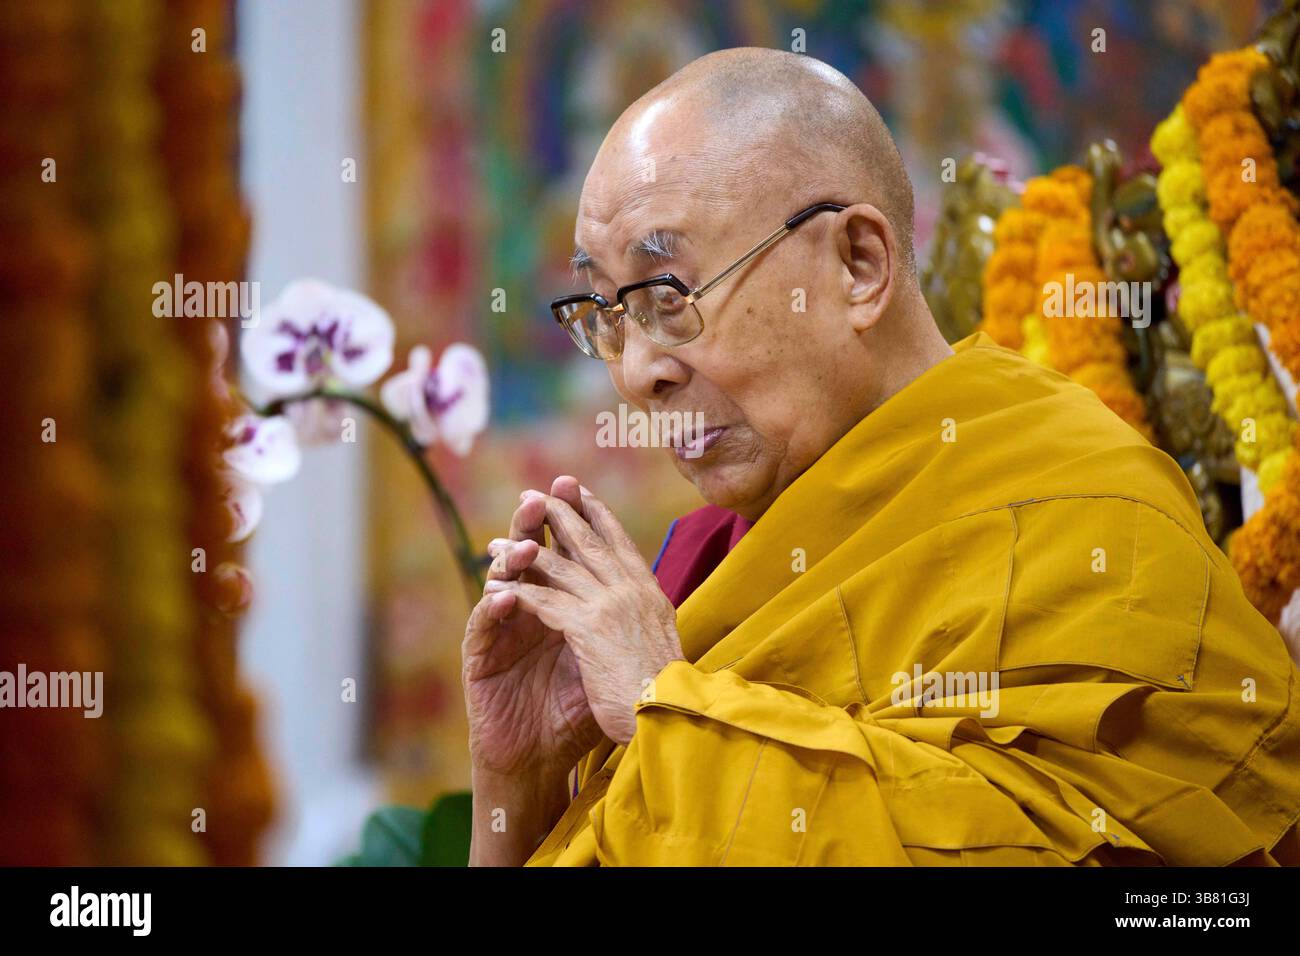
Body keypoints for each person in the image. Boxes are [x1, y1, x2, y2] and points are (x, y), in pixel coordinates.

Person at [461, 48, 1300, 865]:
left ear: (858, 264)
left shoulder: (1090, 517)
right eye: (604, 312)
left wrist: (666, 706)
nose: (638, 372)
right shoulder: (704, 568)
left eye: (669, 296)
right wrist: (519, 787)